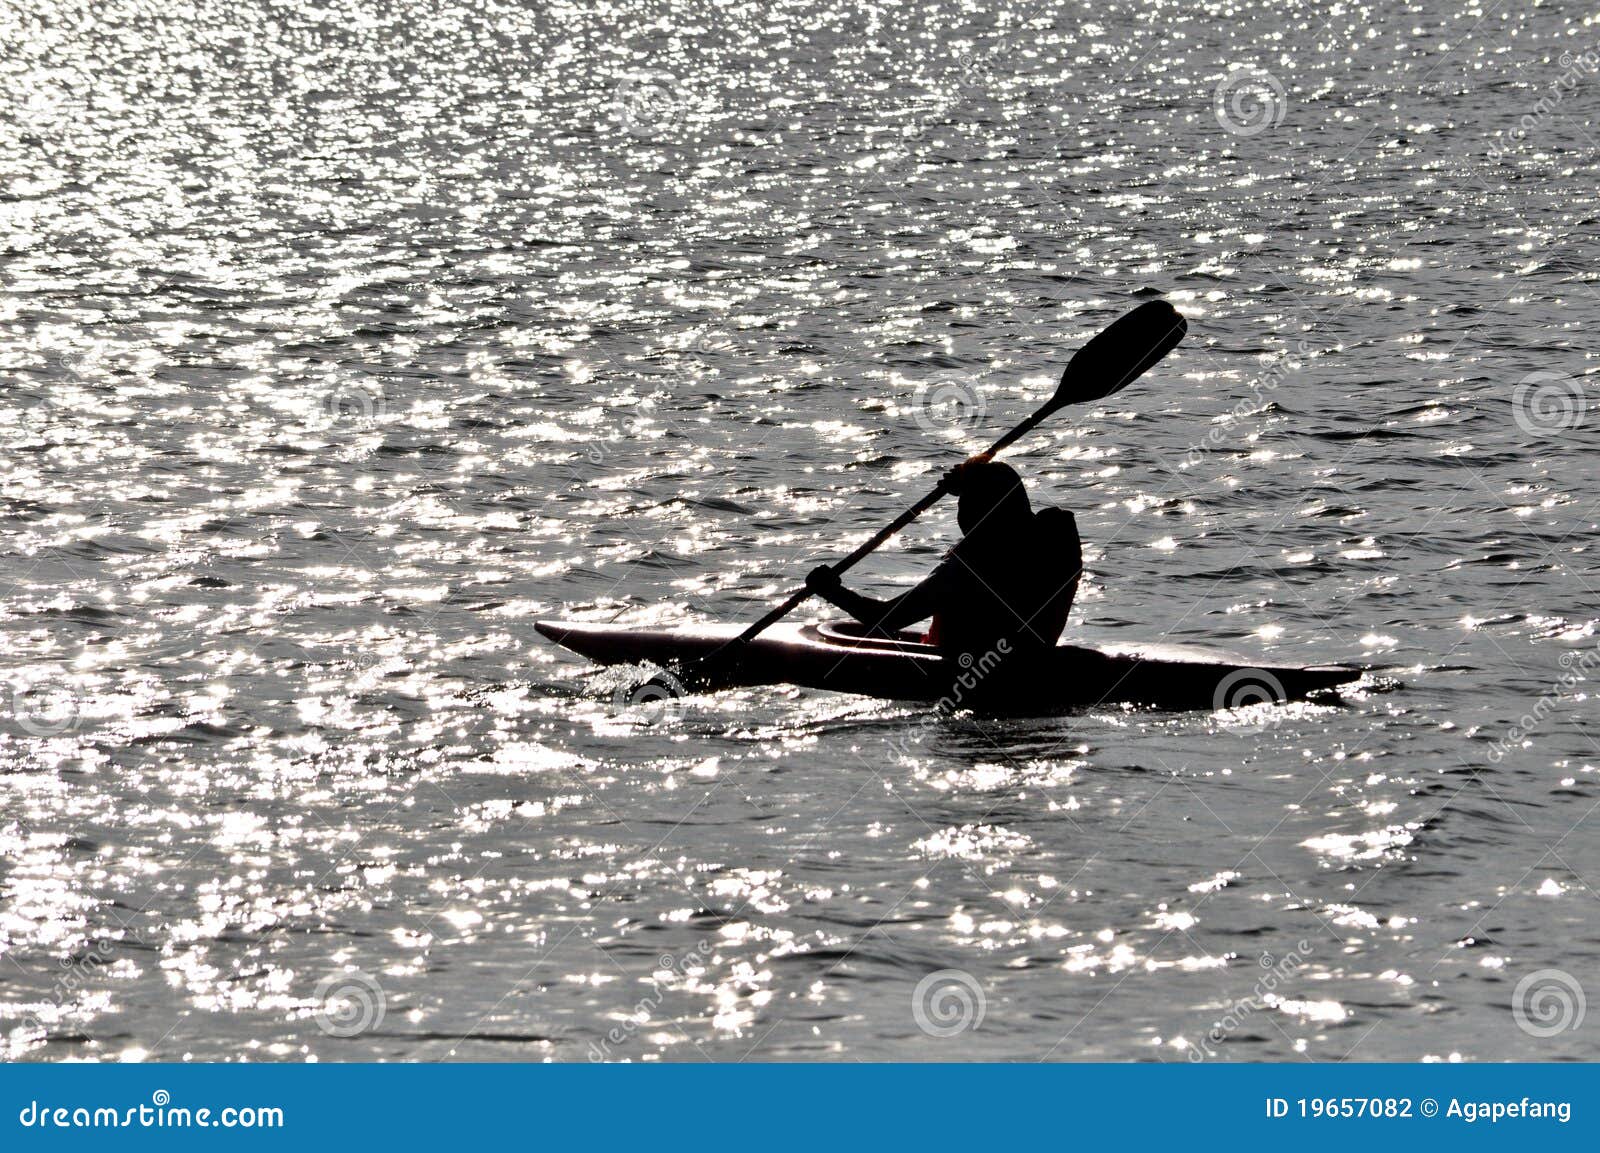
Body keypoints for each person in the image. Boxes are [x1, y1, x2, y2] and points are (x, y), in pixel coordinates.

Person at [805, 456, 1081, 700]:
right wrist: (973, 477)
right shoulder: (1057, 539)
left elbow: (887, 618)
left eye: (965, 504)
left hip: (973, 680)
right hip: (1033, 666)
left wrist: (830, 590)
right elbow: (1015, 516)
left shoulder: (968, 570)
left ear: (974, 512)